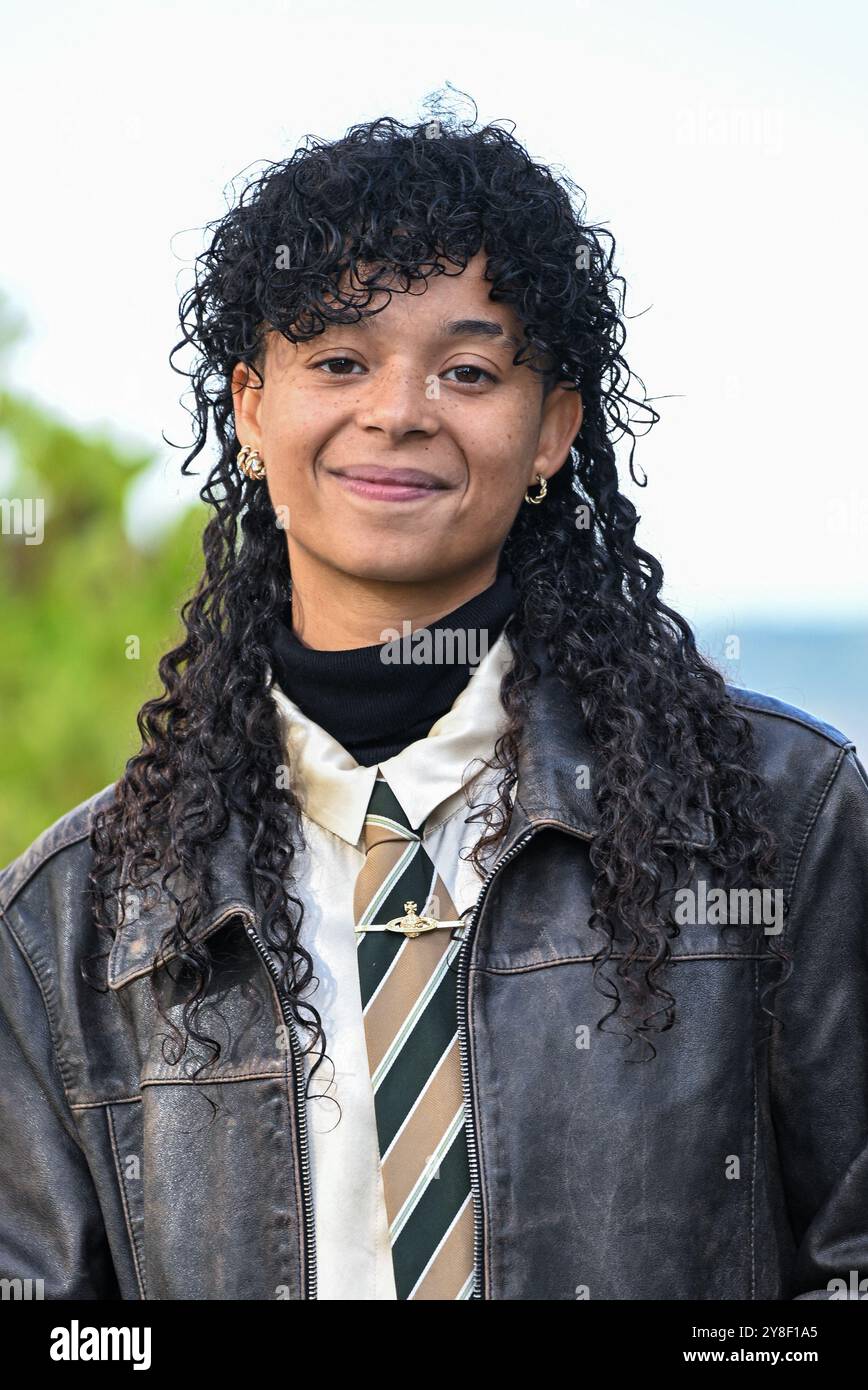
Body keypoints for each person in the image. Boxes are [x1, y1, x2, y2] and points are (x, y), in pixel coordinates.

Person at [1, 105, 867, 1303]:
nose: (400, 410)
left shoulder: (778, 818)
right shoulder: (75, 922)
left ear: (552, 426)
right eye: (340, 360)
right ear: (253, 409)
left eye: (467, 369)